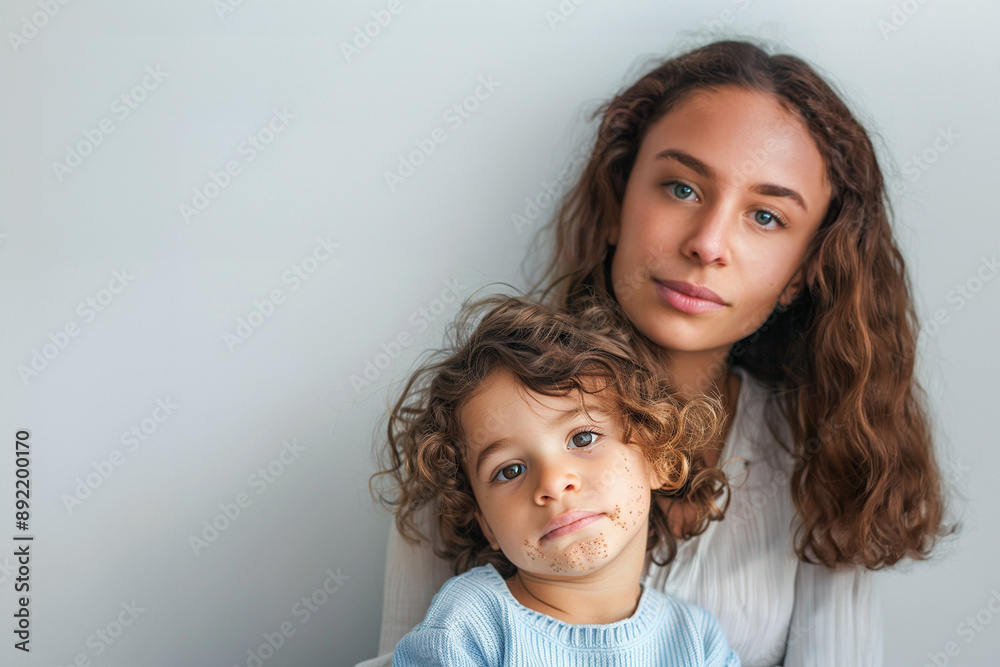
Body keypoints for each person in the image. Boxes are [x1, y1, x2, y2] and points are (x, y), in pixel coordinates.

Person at [370, 40, 950, 666]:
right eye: (680, 188)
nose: (707, 244)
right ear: (618, 199)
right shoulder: (473, 420)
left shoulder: (821, 457)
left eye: (765, 216)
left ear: (804, 271)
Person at [371, 295, 739, 666]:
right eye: (509, 470)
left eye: (583, 438)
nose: (552, 482)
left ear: (657, 459)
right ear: (486, 523)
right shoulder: (467, 629)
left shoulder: (698, 641)